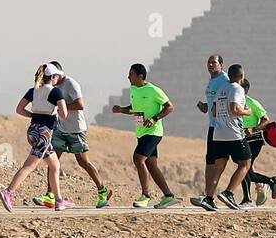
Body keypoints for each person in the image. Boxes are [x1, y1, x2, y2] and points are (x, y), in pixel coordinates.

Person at [32, 62, 111, 209]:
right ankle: (50, 195)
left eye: (52, 77)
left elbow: (80, 104)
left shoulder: (71, 84)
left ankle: (102, 191)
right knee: (52, 160)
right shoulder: (52, 86)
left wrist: (60, 106)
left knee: (83, 162)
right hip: (60, 129)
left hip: (76, 129)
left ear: (58, 75)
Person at [0, 63, 71, 211]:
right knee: (29, 166)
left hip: (33, 130)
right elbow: (64, 115)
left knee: (55, 165)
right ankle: (8, 192)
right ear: (53, 77)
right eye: (57, 76)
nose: (58, 78)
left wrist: (34, 115)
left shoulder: (33, 91)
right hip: (44, 134)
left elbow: (19, 109)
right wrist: (55, 110)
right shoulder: (55, 92)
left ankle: (58, 200)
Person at [110, 63, 178, 208]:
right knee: (151, 165)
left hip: (153, 132)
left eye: (131, 74)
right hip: (141, 132)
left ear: (140, 76)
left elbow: (170, 107)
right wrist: (121, 109)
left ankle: (145, 195)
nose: (128, 77)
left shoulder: (153, 90)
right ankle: (168, 196)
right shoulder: (133, 89)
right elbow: (134, 109)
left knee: (138, 158)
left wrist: (154, 118)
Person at [201, 63, 253, 211]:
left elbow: (215, 111)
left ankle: (209, 198)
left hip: (219, 134)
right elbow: (235, 109)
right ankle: (229, 192)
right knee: (245, 163)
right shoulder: (238, 89)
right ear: (241, 76)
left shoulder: (221, 89)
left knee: (219, 167)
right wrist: (247, 112)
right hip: (234, 134)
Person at [191, 53, 230, 206]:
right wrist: (205, 107)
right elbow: (213, 103)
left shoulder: (225, 81)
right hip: (213, 127)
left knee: (239, 162)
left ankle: (261, 185)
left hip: (224, 128)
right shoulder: (212, 80)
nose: (210, 65)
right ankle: (208, 196)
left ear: (221, 64)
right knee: (210, 161)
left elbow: (230, 100)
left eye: (213, 62)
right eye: (208, 62)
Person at [237, 78, 276, 207]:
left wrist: (254, 129)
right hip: (240, 139)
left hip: (254, 140)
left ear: (245, 90)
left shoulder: (252, 103)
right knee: (244, 169)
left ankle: (247, 199)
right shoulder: (234, 103)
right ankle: (271, 181)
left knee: (244, 168)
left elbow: (266, 119)